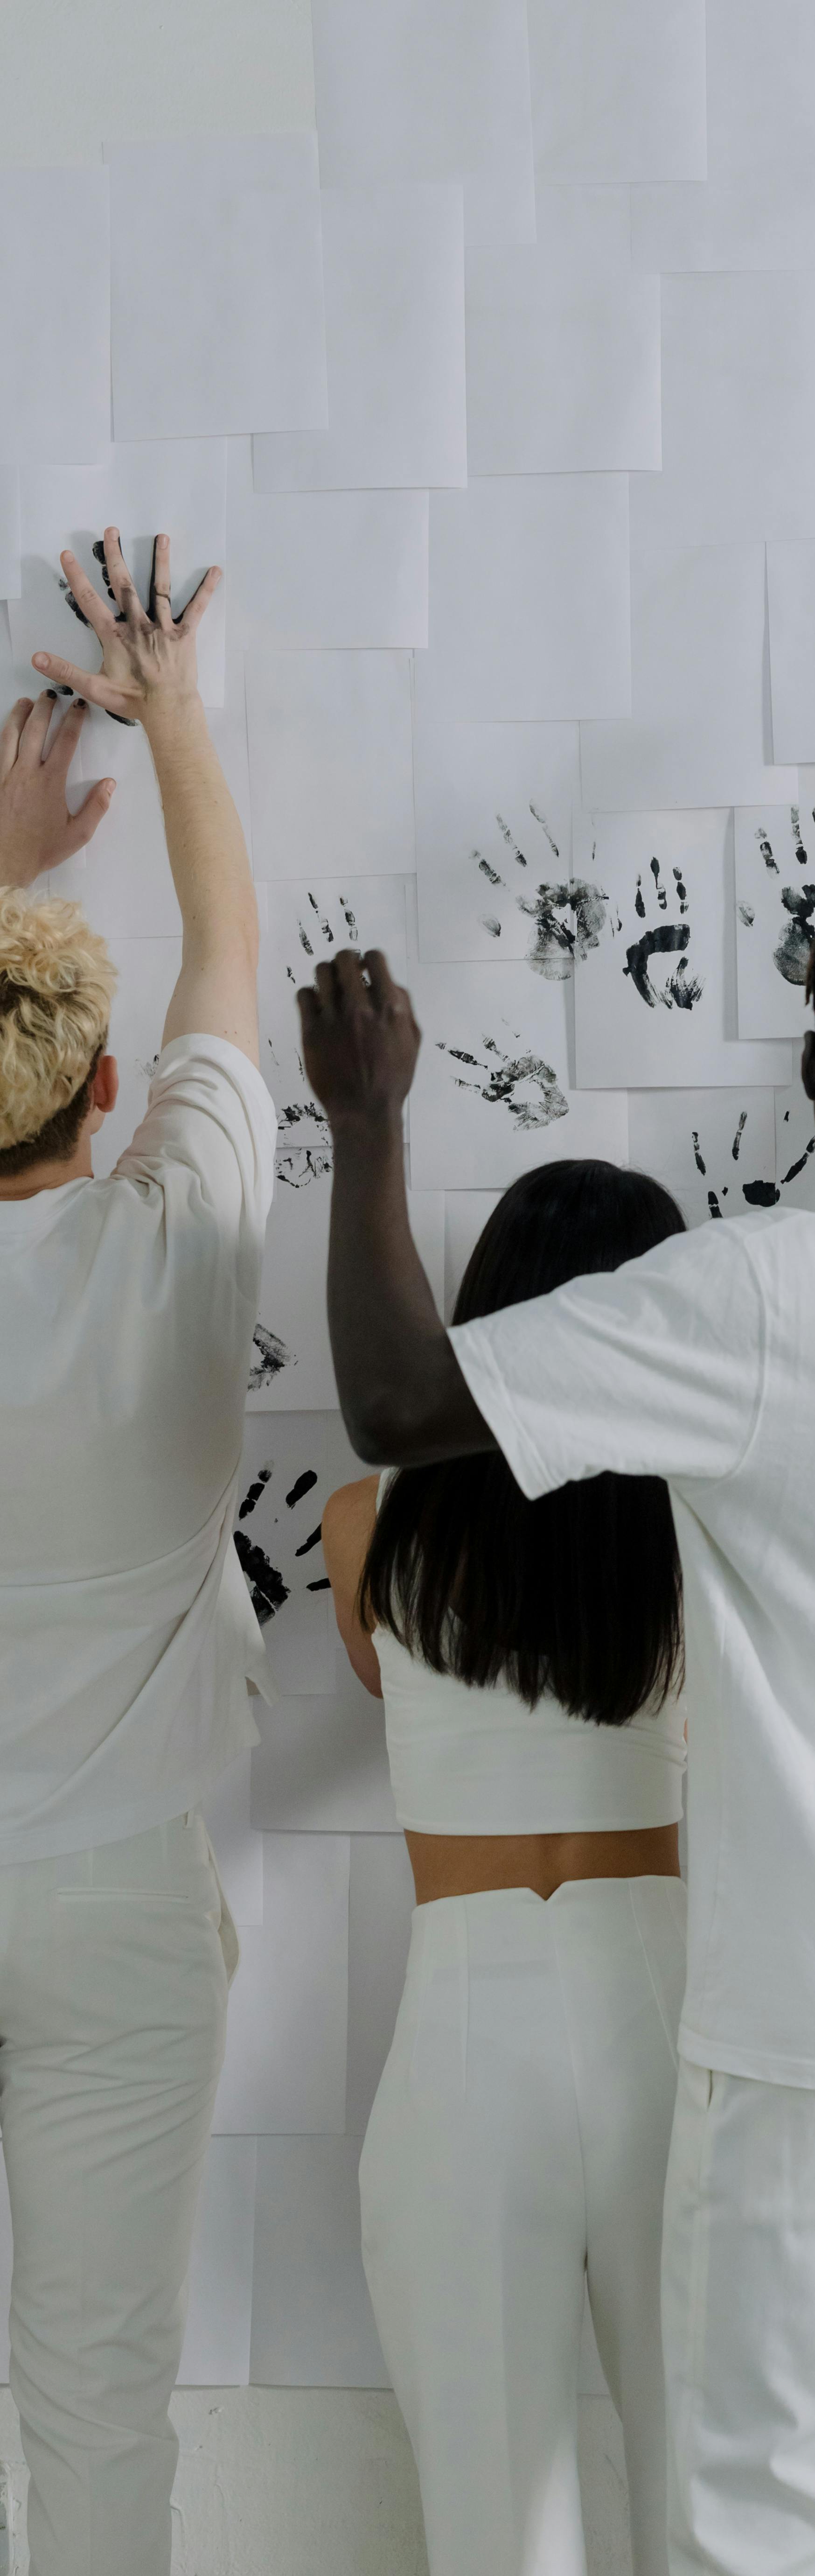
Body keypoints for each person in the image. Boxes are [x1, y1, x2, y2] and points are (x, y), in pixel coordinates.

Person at [295, 686, 815, 2576]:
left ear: (813, 1088)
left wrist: (365, 1127)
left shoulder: (755, 1299)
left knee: (762, 2522)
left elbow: (395, 1409)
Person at [0, 533, 266, 2576]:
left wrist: (7, 876)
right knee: (101, 2392)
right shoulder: (176, 1243)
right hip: (114, 1912)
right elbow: (227, 962)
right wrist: (170, 713)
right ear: (105, 1090)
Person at [319, 1161, 690, 2576]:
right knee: (713, 2507)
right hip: (664, 2005)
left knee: (493, 2530)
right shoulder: (706, 1526)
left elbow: (379, 1669)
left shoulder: (373, 1525)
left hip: (466, 2027)